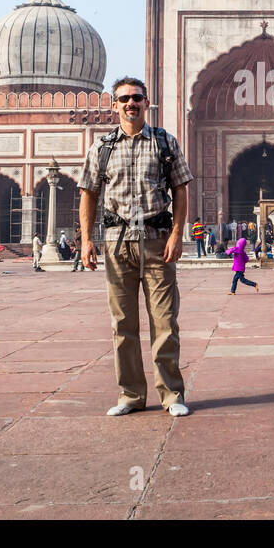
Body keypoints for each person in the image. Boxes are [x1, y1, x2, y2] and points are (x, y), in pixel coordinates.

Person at [79, 76, 193, 418]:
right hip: (116, 243)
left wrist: (177, 234)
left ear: (147, 103)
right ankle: (130, 395)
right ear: (114, 105)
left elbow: (181, 190)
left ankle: (172, 395)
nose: (131, 103)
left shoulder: (164, 142)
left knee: (164, 321)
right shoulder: (102, 148)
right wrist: (86, 240)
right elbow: (88, 193)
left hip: (157, 240)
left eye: (137, 98)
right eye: (124, 98)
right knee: (122, 323)